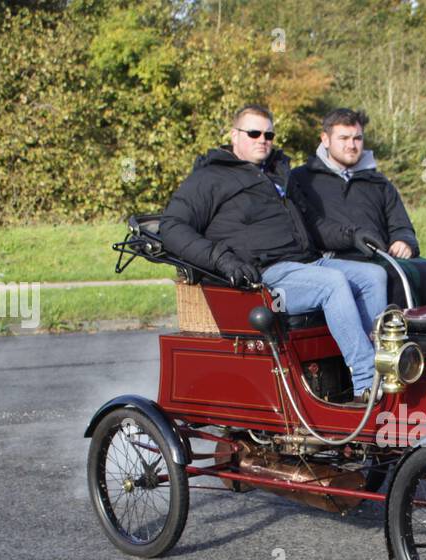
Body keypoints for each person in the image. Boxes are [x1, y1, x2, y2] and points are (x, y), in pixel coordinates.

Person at [158, 104, 389, 401]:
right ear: (234, 135)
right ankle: (367, 382)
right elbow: (172, 226)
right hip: (264, 278)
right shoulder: (210, 178)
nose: (262, 139)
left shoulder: (277, 175)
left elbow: (313, 225)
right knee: (331, 284)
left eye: (268, 133)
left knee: (374, 275)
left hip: (306, 263)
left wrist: (352, 235)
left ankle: (387, 366)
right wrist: (221, 259)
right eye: (253, 132)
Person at [288, 108, 426, 308]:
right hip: (337, 257)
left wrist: (404, 241)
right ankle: (389, 337)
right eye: (344, 138)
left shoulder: (378, 182)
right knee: (390, 278)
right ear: (325, 139)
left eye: (357, 138)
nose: (352, 145)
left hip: (382, 255)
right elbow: (310, 229)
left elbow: (401, 224)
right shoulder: (302, 179)